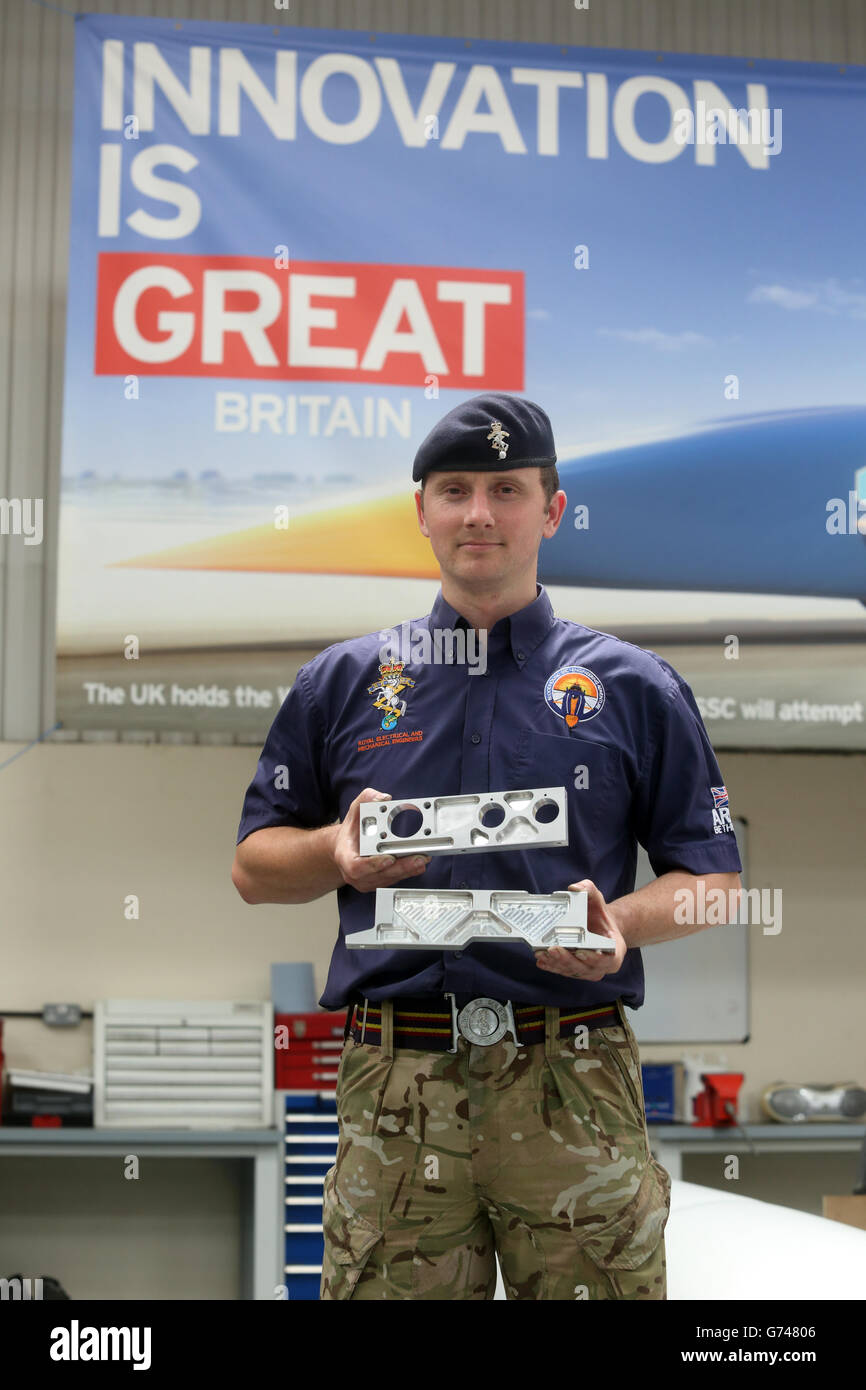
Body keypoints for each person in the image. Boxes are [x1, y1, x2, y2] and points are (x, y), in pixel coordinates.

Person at [232, 392, 743, 1301]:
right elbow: (253, 870)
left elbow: (713, 885)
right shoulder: (345, 682)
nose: (479, 513)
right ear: (420, 510)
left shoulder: (632, 686)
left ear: (551, 508)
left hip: (571, 1080)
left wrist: (617, 925)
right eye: (456, 489)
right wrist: (334, 856)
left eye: (507, 490)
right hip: (395, 1083)